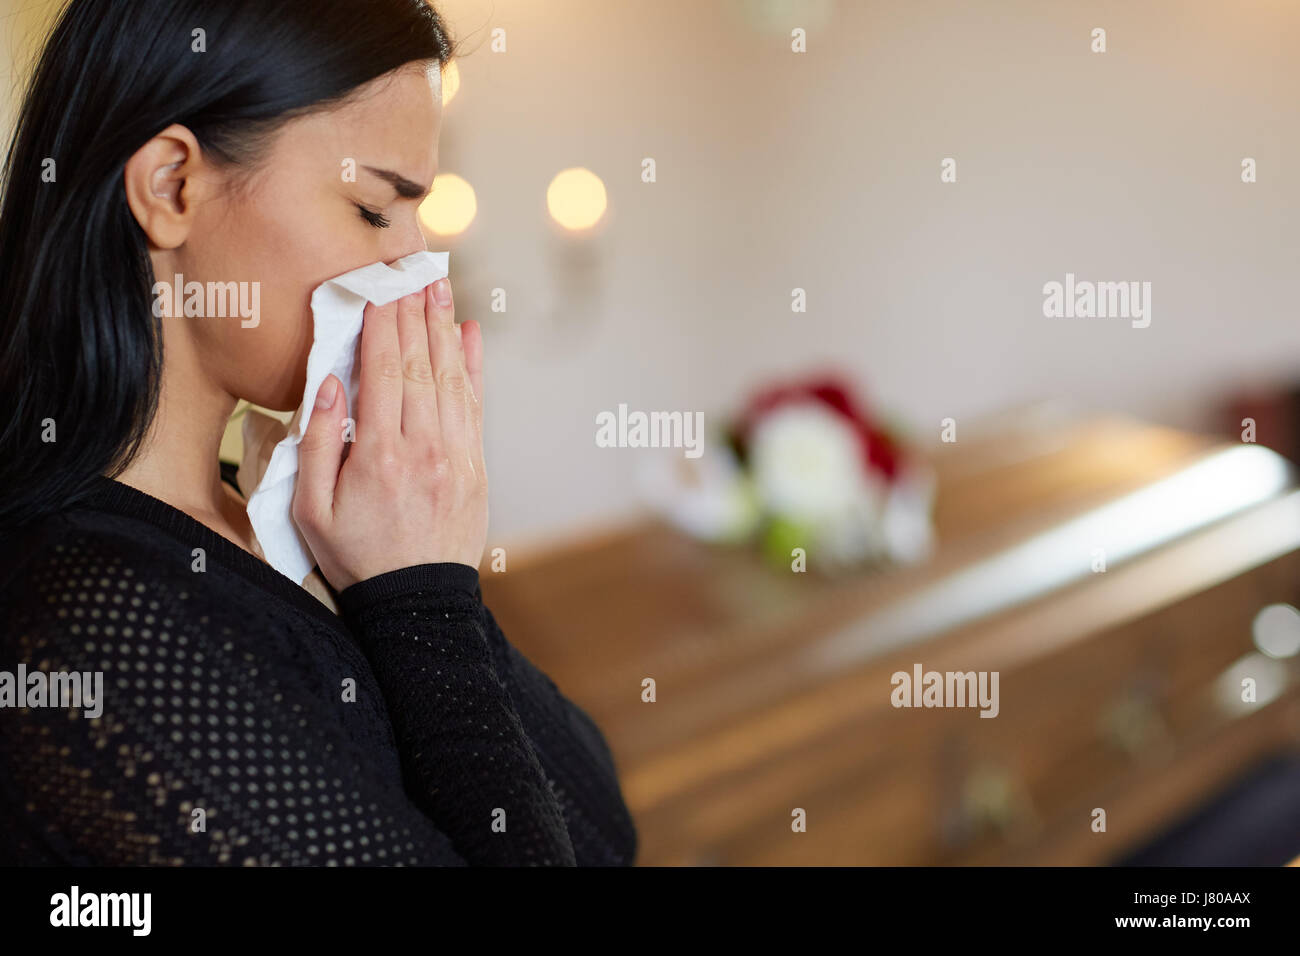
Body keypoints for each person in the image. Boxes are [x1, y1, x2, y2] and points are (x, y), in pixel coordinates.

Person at [0, 0, 637, 866]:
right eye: (377, 210)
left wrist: (417, 580)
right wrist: (422, 596)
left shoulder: (279, 525)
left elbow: (603, 833)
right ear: (171, 186)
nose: (416, 267)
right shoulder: (91, 624)